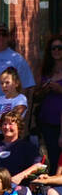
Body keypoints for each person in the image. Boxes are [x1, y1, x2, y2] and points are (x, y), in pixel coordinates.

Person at [33, 33, 62, 171]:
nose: (56, 51)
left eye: (60, 48)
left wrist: (59, 89)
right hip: (47, 120)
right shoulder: (44, 69)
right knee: (52, 155)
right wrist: (44, 90)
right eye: (53, 48)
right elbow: (35, 96)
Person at [0, 66, 29, 135]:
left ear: (16, 83)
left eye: (7, 82)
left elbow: (11, 121)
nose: (4, 86)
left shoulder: (21, 99)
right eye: (1, 83)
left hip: (12, 137)